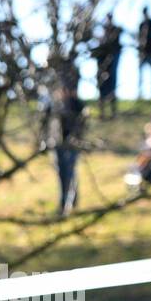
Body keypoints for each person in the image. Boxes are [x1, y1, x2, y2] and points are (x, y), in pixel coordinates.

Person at [46, 84, 86, 216]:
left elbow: (82, 125)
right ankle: (68, 202)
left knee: (69, 173)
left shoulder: (78, 105)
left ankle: (66, 204)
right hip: (58, 144)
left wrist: (75, 139)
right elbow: (49, 123)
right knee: (63, 174)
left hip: (72, 145)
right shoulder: (54, 105)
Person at [91, 16, 124, 119]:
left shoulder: (113, 45)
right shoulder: (101, 46)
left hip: (111, 72)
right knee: (102, 94)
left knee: (111, 92)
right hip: (101, 72)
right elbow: (94, 54)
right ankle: (103, 114)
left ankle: (113, 113)